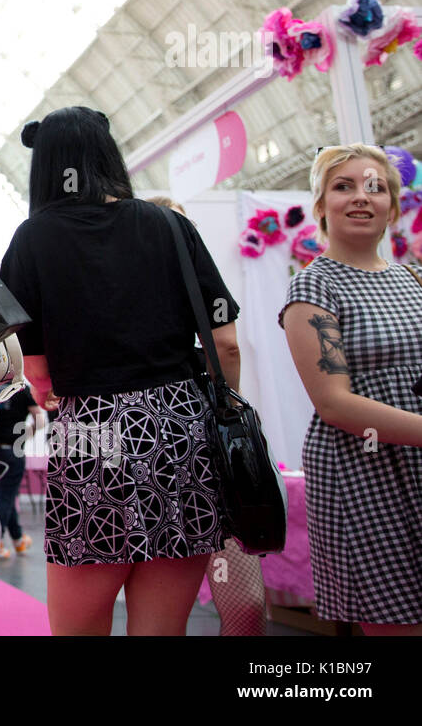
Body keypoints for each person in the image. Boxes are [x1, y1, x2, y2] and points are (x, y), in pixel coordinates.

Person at [0, 107, 239, 635]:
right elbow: (223, 340)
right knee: (162, 627)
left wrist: (44, 391)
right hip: (181, 428)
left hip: (90, 431)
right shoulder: (170, 226)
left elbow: (32, 361)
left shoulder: (33, 239)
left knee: (78, 623)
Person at [280, 143, 422, 635]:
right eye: (344, 186)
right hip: (363, 472)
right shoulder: (314, 287)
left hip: (417, 458)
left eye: (375, 187)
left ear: (394, 205)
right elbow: (333, 403)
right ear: (321, 206)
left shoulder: (409, 279)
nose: (361, 197)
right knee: (400, 623)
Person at [146, 195, 267, 635]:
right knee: (245, 605)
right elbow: (228, 346)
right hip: (213, 447)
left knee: (158, 611)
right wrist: (229, 403)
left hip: (153, 456)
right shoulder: (201, 291)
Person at [0, 385, 45, 560]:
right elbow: (40, 421)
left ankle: (17, 539)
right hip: (13, 450)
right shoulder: (21, 390)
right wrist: (24, 437)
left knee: (7, 495)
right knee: (6, 496)